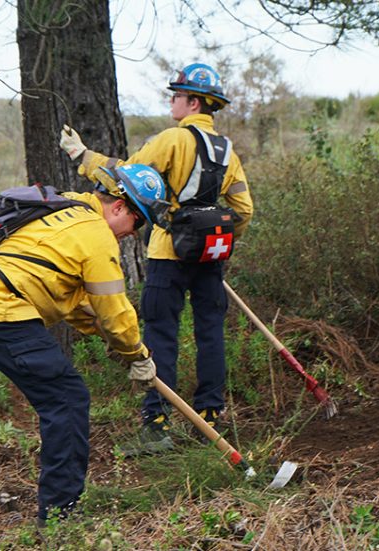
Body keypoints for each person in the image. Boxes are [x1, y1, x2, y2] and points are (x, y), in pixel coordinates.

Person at [0, 164, 166, 523]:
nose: (133, 233)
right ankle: (61, 515)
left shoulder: (61, 207)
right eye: (138, 222)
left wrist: (113, 341)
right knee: (67, 399)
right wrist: (135, 353)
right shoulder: (96, 234)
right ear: (118, 206)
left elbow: (70, 298)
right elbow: (114, 309)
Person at [59, 63, 254, 452]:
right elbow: (243, 210)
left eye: (176, 95)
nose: (172, 102)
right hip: (210, 258)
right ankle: (210, 418)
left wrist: (83, 155)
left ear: (193, 102)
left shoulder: (172, 140)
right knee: (211, 333)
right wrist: (214, 244)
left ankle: (157, 426)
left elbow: (126, 178)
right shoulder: (227, 151)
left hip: (168, 253)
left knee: (160, 333)